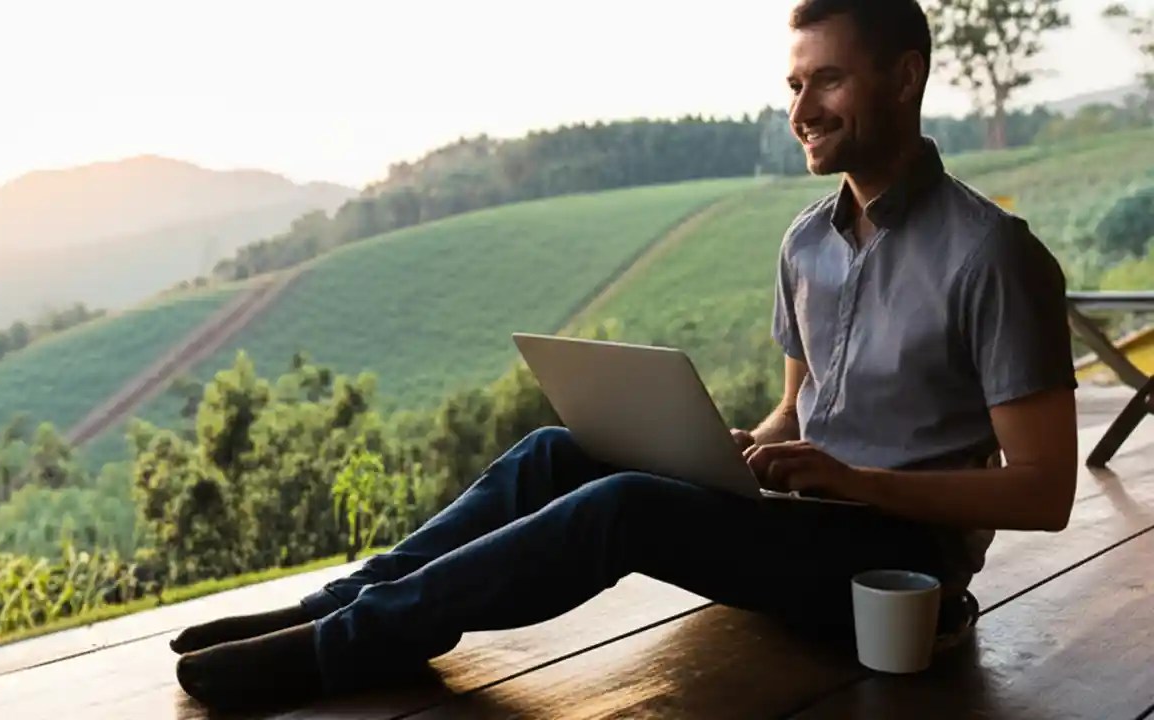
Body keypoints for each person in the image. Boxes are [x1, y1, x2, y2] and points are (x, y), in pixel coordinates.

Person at [170, 0, 1079, 708]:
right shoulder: (806, 244)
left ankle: (344, 647)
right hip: (802, 528)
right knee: (555, 452)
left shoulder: (992, 255)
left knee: (624, 510)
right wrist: (739, 447)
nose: (802, 109)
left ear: (904, 77)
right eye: (795, 84)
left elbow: (1046, 492)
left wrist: (860, 480)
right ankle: (334, 605)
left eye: (828, 82)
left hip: (895, 573)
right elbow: (798, 412)